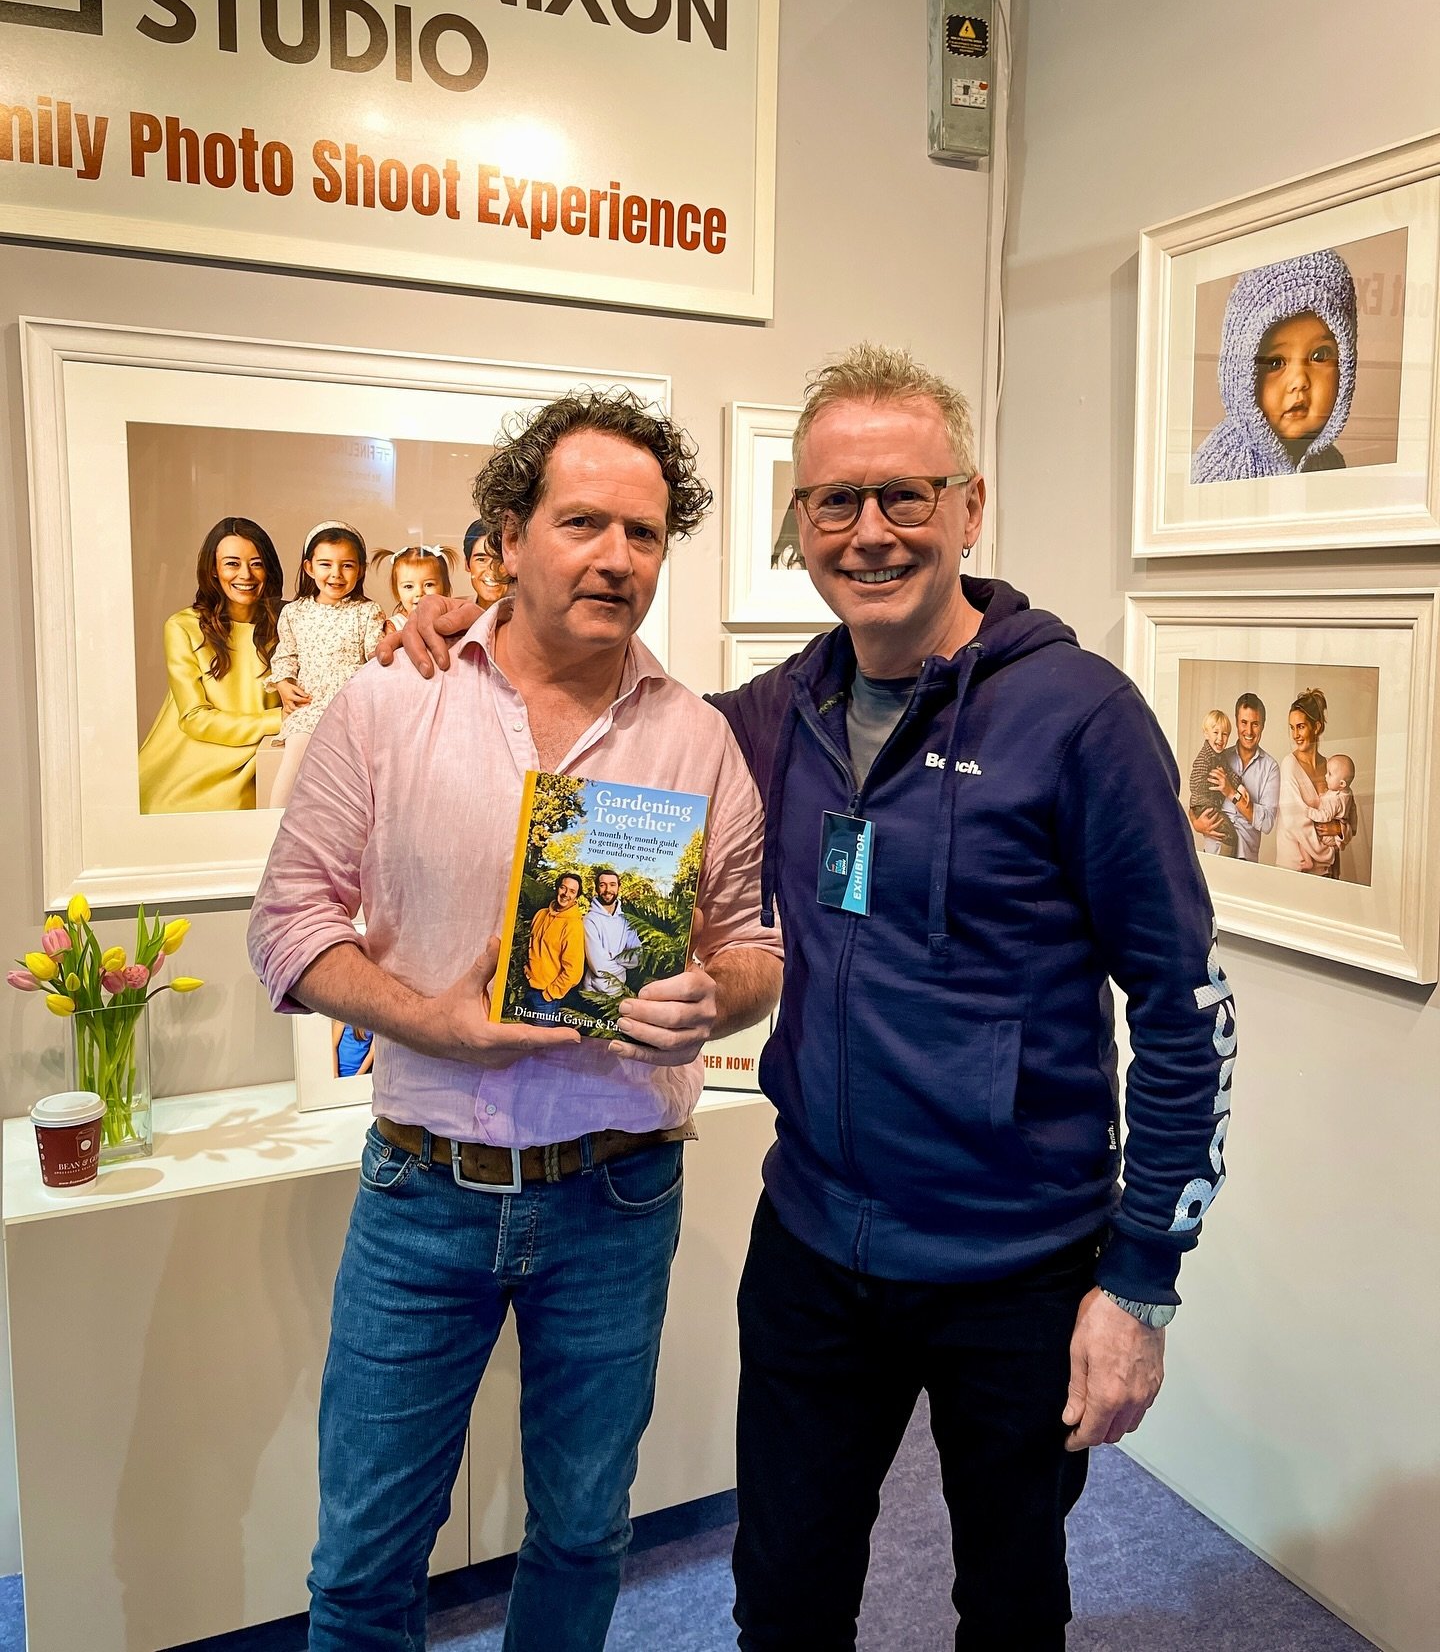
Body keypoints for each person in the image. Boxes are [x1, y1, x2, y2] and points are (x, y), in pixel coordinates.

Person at [398, 345, 1236, 1651]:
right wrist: (491, 625)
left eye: (907, 495)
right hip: (813, 1250)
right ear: (799, 525)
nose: (872, 531)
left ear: (971, 504)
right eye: (836, 502)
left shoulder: (1082, 719)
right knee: (781, 1595)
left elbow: (1188, 1019)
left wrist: (1140, 1287)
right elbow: (624, 725)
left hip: (1015, 1263)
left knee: (1010, 1601)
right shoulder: (776, 715)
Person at [249, 390, 783, 1652]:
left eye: (644, 534)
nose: (615, 558)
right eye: (583, 521)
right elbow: (288, 924)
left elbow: (756, 940)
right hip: (421, 1192)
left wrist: (722, 994)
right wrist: (428, 1017)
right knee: (366, 1559)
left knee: (585, 1533)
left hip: (619, 1198)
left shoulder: (698, 739)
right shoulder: (390, 698)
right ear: (508, 537)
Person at [137, 515, 285, 813]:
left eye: (256, 563)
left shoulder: (292, 620)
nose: (246, 574)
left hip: (265, 756)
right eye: (232, 563)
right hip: (193, 762)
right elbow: (194, 718)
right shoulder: (183, 626)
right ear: (213, 570)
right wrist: (281, 719)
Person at [1190, 248, 1357, 483]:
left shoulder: (1331, 463)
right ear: (1240, 376)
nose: (1299, 380)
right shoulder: (1219, 469)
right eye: (1276, 362)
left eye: (1319, 355)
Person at [266, 522, 388, 810]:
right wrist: (283, 683)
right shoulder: (294, 613)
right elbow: (286, 655)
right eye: (325, 564)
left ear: (360, 570)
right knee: (296, 757)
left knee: (357, 770)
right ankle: (272, 823)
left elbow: (376, 654)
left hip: (353, 705)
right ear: (309, 567)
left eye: (347, 565)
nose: (336, 574)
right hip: (310, 705)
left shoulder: (366, 611)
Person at [1189, 692, 1280, 864]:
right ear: (1237, 723)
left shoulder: (1271, 768)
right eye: (1244, 723)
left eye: (1255, 724)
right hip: (1212, 855)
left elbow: (1267, 823)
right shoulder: (1219, 756)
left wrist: (1232, 792)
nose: (1249, 731)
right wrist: (1195, 822)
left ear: (1263, 726)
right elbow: (1197, 792)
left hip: (1246, 862)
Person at [1275, 688, 1350, 877]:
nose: (1295, 735)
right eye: (1292, 727)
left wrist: (1340, 829)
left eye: (1300, 726)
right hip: (1296, 870)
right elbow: (1296, 821)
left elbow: (1348, 814)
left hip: (1328, 871)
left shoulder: (1332, 767)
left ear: (1316, 727)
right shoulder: (1289, 765)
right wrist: (1328, 853)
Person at [522, 871, 586, 1021]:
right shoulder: (540, 914)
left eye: (572, 891)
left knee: (540, 1043)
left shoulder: (573, 925)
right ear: (557, 888)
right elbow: (529, 946)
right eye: (563, 888)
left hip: (545, 999)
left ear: (576, 897)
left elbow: (574, 972)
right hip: (526, 989)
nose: (566, 894)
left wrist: (548, 994)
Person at [582, 868, 644, 1000]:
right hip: (593, 994)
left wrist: (612, 957)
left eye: (612, 884)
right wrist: (622, 961)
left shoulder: (626, 920)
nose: (607, 889)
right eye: (602, 885)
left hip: (619, 993)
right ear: (597, 889)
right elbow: (598, 967)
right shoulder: (589, 920)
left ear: (618, 888)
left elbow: (638, 957)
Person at [1187, 710, 1239, 857]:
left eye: (1225, 734)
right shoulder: (1205, 758)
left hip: (1209, 805)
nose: (1220, 739)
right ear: (1206, 734)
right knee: (1230, 836)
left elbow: (1228, 773)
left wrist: (1239, 786)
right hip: (1205, 806)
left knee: (1226, 835)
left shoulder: (1219, 756)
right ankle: (1226, 863)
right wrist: (1204, 805)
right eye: (1216, 732)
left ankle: (1225, 862)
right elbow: (1194, 782)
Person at [376, 543, 458, 632]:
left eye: (429, 584)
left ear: (445, 588)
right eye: (408, 586)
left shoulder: (451, 620)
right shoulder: (395, 626)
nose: (419, 593)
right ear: (397, 592)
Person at [465, 515, 511, 606]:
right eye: (481, 560)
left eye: (501, 561)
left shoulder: (532, 617)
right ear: (467, 564)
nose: (492, 571)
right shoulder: (454, 611)